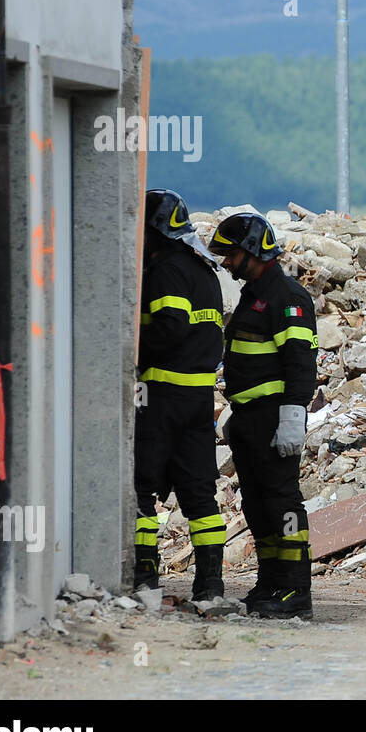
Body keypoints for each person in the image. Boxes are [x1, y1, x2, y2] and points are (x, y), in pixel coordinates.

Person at [210, 212, 318, 619]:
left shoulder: (287, 296)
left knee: (282, 502)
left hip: (274, 418)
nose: (226, 262)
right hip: (250, 419)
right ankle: (271, 581)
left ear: (252, 249)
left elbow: (300, 360)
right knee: (257, 504)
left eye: (231, 253)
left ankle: (295, 589)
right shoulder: (254, 292)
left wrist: (293, 416)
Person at [134, 189, 227, 602]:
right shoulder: (203, 269)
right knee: (199, 493)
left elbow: (169, 328)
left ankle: (144, 576)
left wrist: (126, 347)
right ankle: (210, 584)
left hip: (161, 397)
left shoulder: (165, 270)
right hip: (198, 400)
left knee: (141, 488)